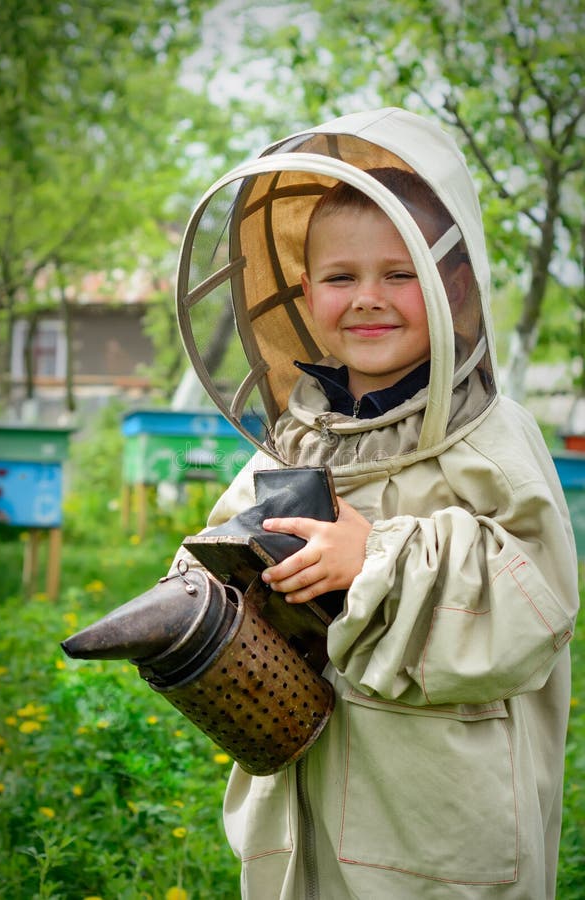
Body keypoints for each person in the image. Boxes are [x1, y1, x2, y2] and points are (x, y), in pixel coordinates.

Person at [170, 108, 579, 899]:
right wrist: (202, 590)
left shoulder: (490, 436)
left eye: (400, 274)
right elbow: (229, 544)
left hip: (435, 811)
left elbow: (536, 598)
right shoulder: (297, 433)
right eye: (341, 277)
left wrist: (375, 558)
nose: (369, 299)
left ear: (452, 281)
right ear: (302, 290)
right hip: (302, 788)